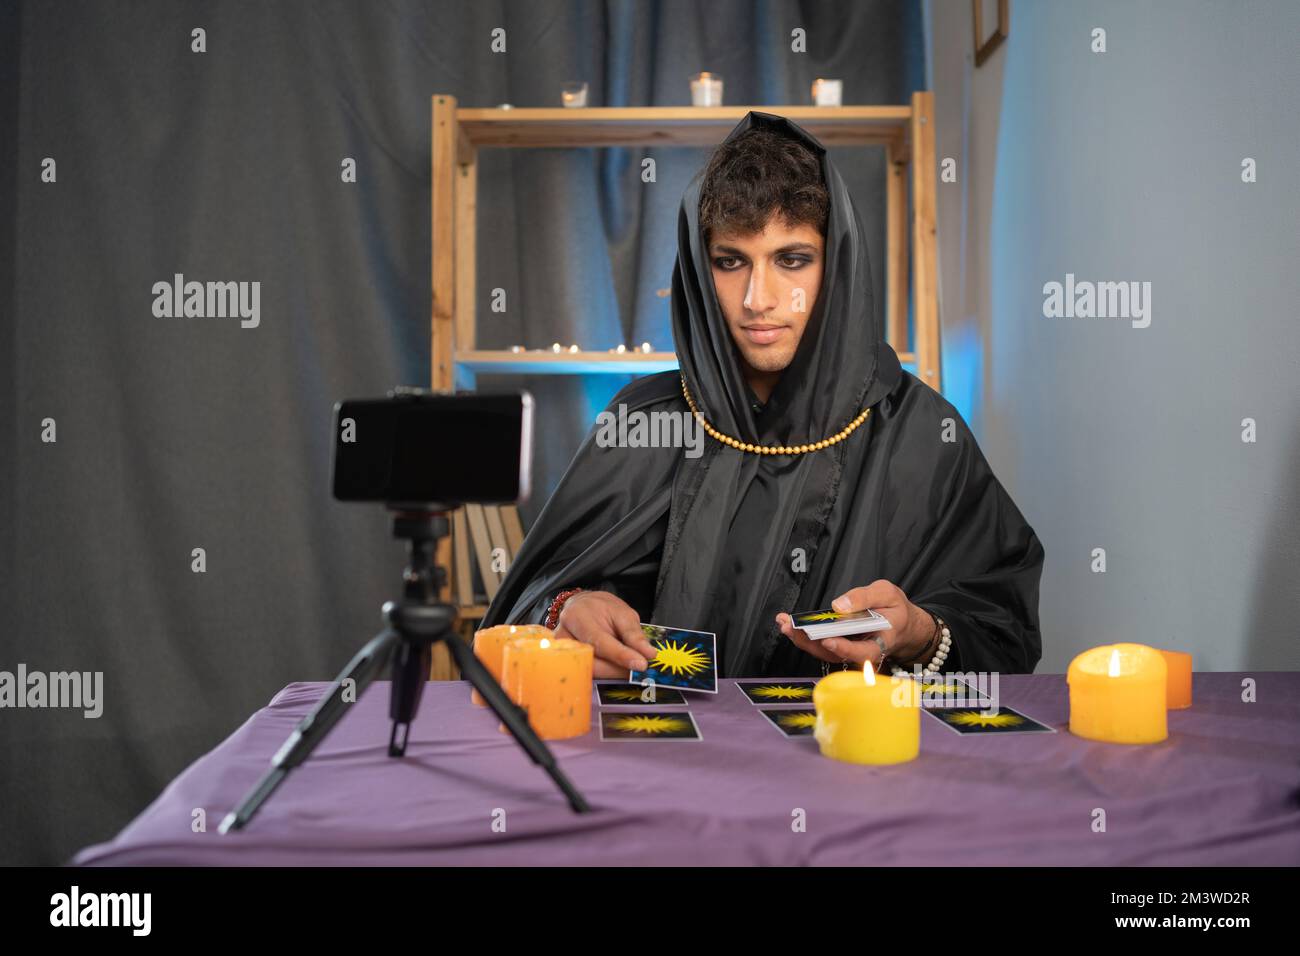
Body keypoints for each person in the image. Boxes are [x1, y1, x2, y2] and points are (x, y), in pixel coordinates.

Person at [480, 111, 1044, 680]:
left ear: (837, 267)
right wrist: (567, 607)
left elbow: (1003, 630)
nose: (758, 298)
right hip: (657, 733)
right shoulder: (639, 421)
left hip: (849, 737)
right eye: (730, 262)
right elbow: (524, 607)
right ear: (700, 271)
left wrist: (921, 634)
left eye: (792, 260)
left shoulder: (921, 432)